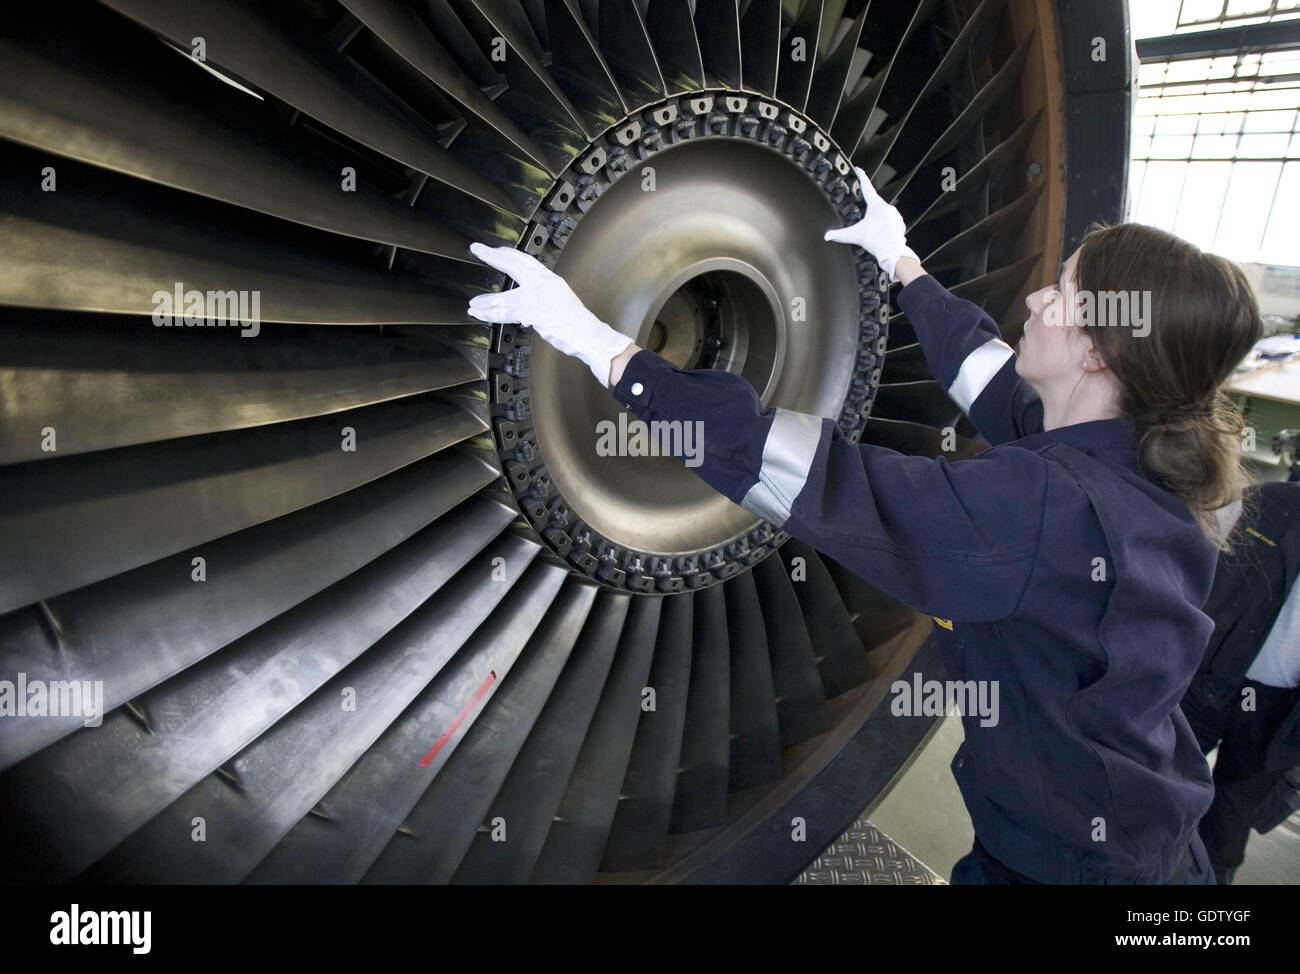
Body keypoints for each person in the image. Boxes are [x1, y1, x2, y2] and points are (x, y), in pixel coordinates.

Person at [466, 167, 1263, 884]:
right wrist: (901, 261)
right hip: (1152, 844)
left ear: (1099, 354)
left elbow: (806, 474)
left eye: (1061, 294)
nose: (1034, 301)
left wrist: (608, 353)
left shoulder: (1042, 510)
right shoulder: (1141, 453)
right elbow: (986, 371)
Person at [1182, 480, 1300, 884]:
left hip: (1275, 712)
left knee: (1229, 826)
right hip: (1209, 678)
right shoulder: (1266, 503)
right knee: (1156, 785)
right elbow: (1192, 562)